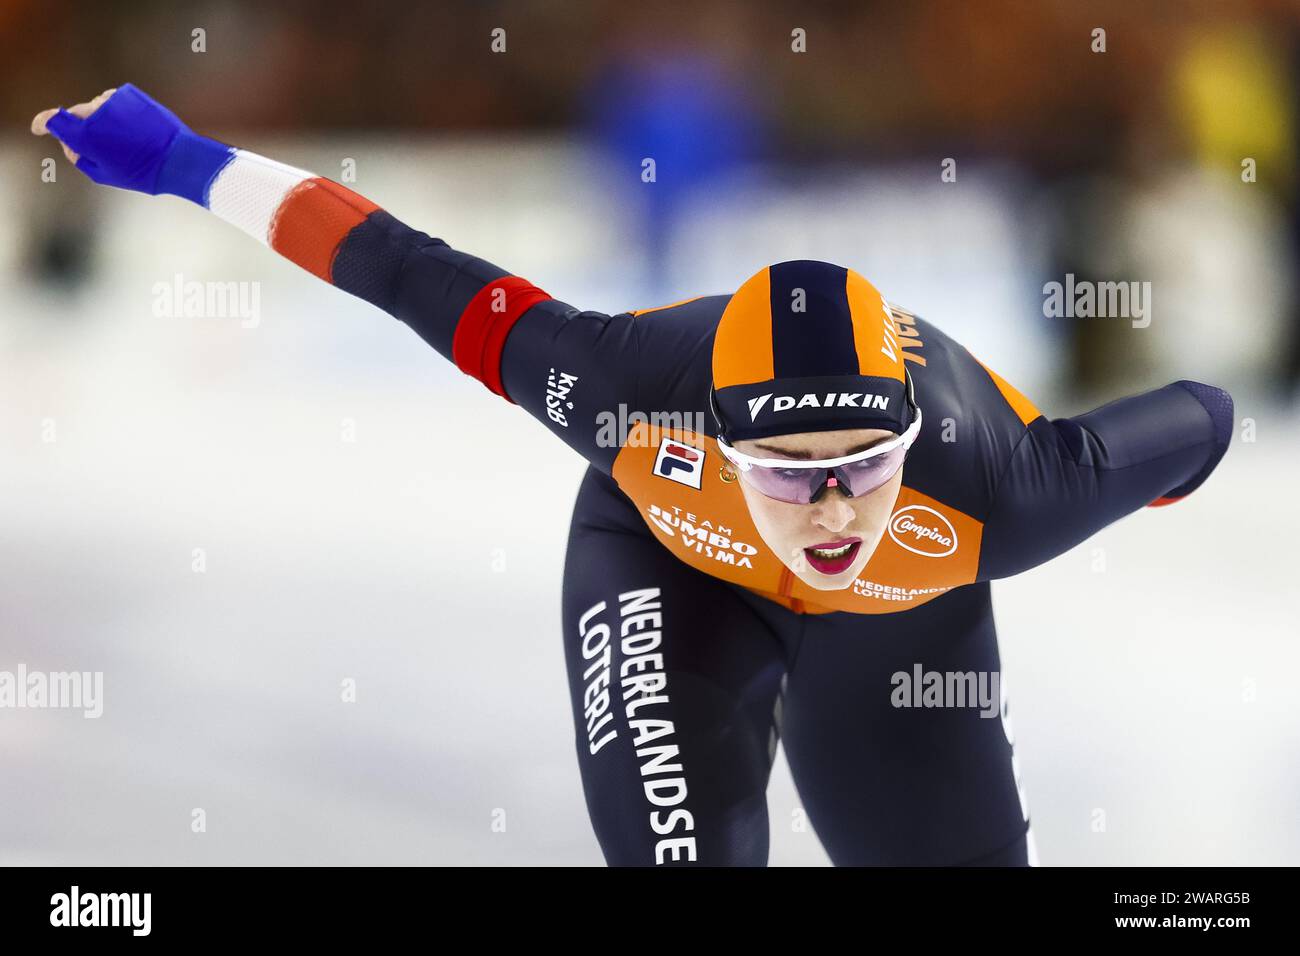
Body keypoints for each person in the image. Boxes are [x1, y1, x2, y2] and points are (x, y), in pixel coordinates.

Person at [32, 85, 1234, 866]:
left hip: (901, 628)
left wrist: (1163, 481)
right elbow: (394, 262)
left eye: (860, 466)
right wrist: (182, 158)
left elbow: (1201, 415)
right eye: (784, 468)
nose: (827, 511)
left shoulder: (1006, 488)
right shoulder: (616, 384)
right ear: (714, 435)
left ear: (911, 445)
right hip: (673, 567)